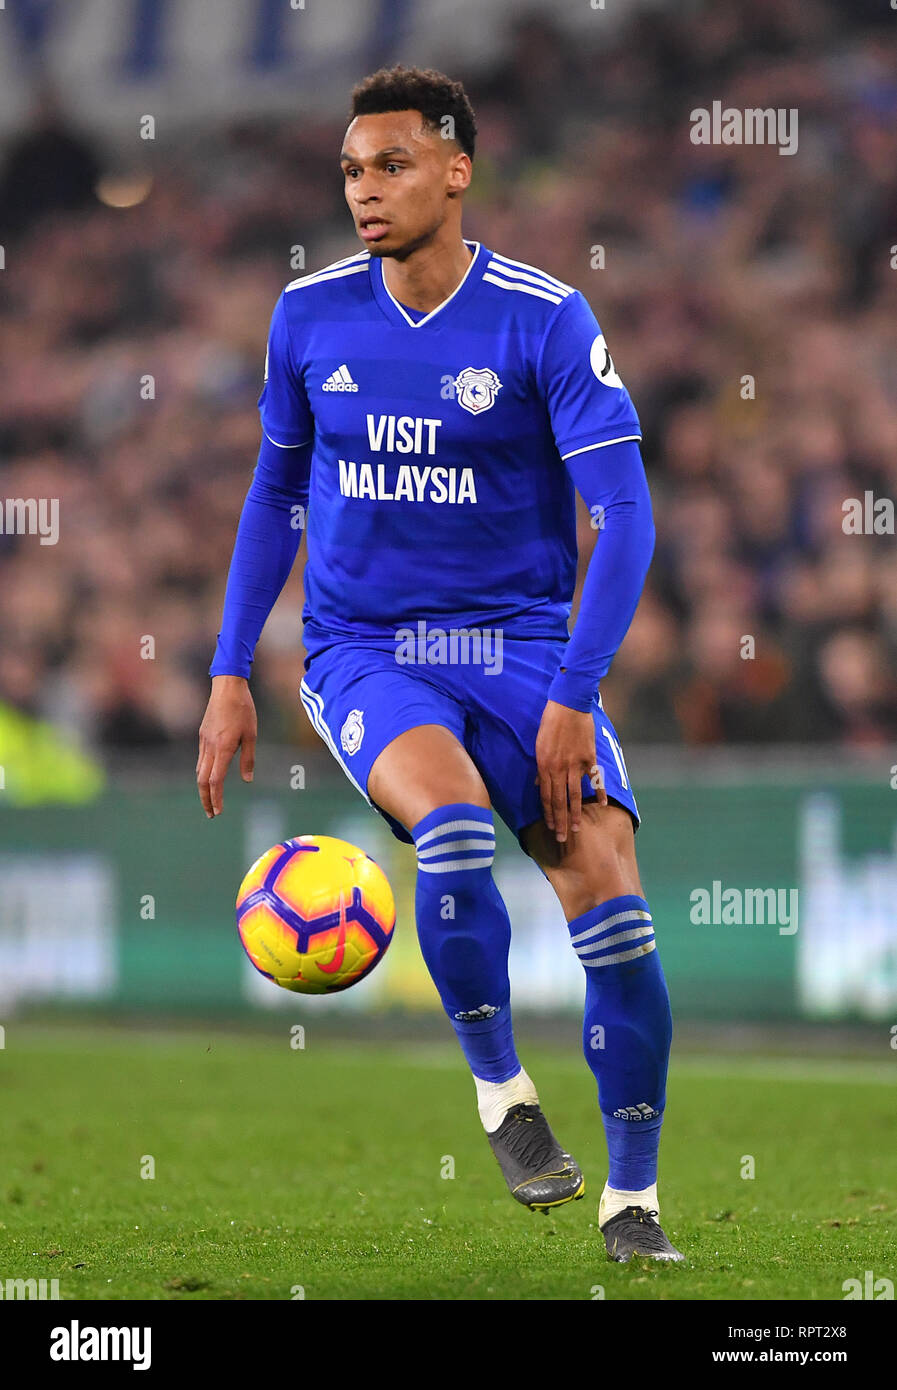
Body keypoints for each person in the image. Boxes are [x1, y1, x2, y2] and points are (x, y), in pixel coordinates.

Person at [197, 65, 681, 1263]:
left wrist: (573, 693)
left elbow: (627, 518)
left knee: (611, 901)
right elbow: (274, 493)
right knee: (455, 831)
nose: (366, 190)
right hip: (369, 649)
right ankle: (504, 1094)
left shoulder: (546, 317)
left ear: (458, 171)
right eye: (353, 170)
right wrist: (223, 669)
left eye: (394, 165)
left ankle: (633, 1205)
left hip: (523, 647)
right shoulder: (307, 316)